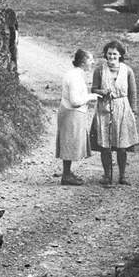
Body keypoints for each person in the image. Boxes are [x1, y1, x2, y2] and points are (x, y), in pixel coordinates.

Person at [90, 39, 139, 186]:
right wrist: (102, 91)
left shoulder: (127, 70)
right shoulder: (100, 70)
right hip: (104, 109)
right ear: (105, 55)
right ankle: (107, 176)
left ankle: (122, 176)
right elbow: (93, 89)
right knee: (105, 145)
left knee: (122, 145)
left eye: (114, 54)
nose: (111, 57)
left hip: (122, 107)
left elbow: (133, 92)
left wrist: (134, 110)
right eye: (109, 54)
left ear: (120, 55)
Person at [56, 48, 98, 186]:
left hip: (71, 112)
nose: (93, 62)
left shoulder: (76, 74)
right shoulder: (74, 76)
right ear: (83, 61)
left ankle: (67, 173)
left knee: (70, 142)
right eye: (90, 59)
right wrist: (91, 97)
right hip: (71, 113)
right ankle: (66, 176)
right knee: (70, 142)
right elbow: (75, 101)